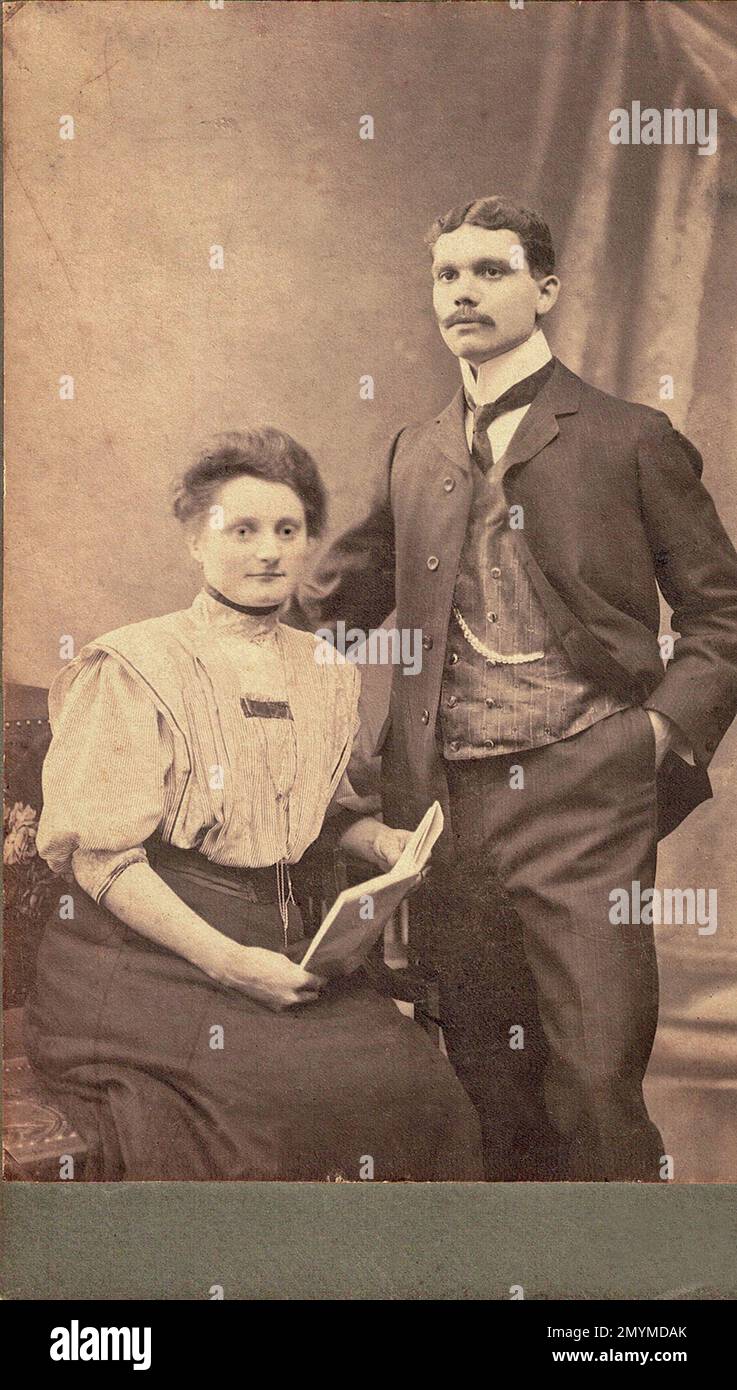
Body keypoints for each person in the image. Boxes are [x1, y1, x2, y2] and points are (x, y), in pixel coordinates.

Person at [292, 196, 737, 1181]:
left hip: (586, 793)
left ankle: (623, 1318)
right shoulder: (416, 450)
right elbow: (328, 607)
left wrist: (657, 736)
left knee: (591, 1083)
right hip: (445, 813)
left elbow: (720, 613)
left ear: (543, 288)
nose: (462, 292)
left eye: (488, 271)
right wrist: (191, 648)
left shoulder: (628, 438)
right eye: (446, 274)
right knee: (487, 1083)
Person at [24, 427, 483, 1182]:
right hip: (140, 959)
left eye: (287, 530)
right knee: (275, 1115)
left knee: (420, 1094)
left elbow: (326, 818)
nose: (268, 551)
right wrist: (231, 963)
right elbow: (104, 858)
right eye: (241, 530)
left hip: (281, 946)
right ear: (195, 542)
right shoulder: (132, 665)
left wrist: (380, 845)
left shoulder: (325, 673)